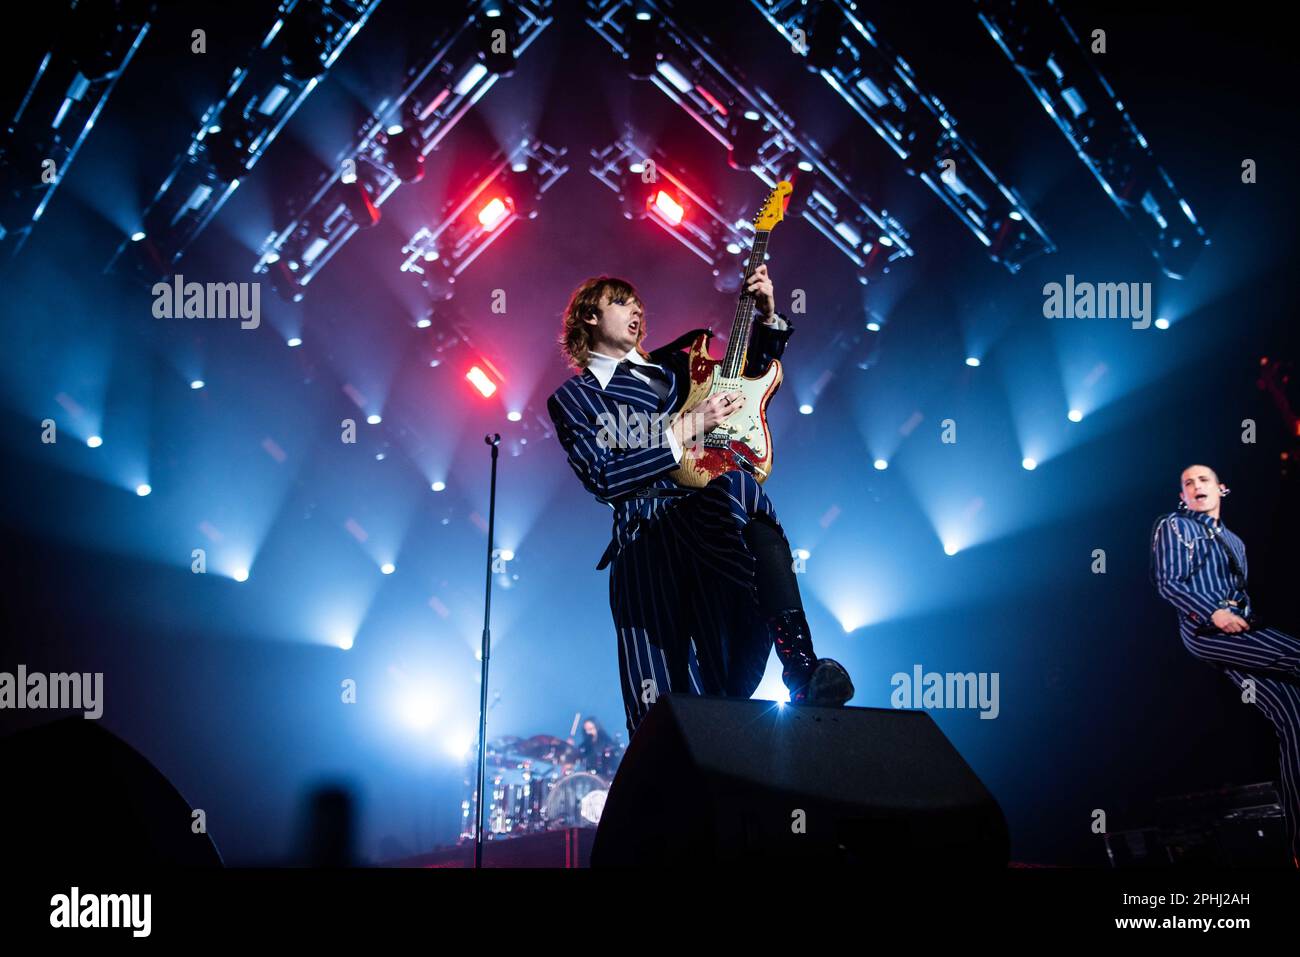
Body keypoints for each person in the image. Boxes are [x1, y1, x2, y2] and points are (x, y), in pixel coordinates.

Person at [546, 267, 854, 737]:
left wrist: (766, 318)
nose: (637, 309)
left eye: (638, 302)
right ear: (590, 315)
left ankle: (802, 668)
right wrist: (686, 428)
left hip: (709, 524)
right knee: (665, 713)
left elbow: (743, 386)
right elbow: (603, 475)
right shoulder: (575, 398)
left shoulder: (675, 367)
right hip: (646, 542)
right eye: (621, 302)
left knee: (741, 491)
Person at [1151, 464, 1300, 866]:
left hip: (1240, 630)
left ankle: (1298, 843)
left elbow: (1240, 591)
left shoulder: (1233, 539)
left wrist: (1245, 616)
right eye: (1187, 483)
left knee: (1293, 718)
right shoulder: (1175, 527)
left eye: (1203, 480)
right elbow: (1169, 582)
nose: (1195, 486)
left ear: (1222, 489)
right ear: (1181, 496)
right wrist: (1211, 613)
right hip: (1207, 632)